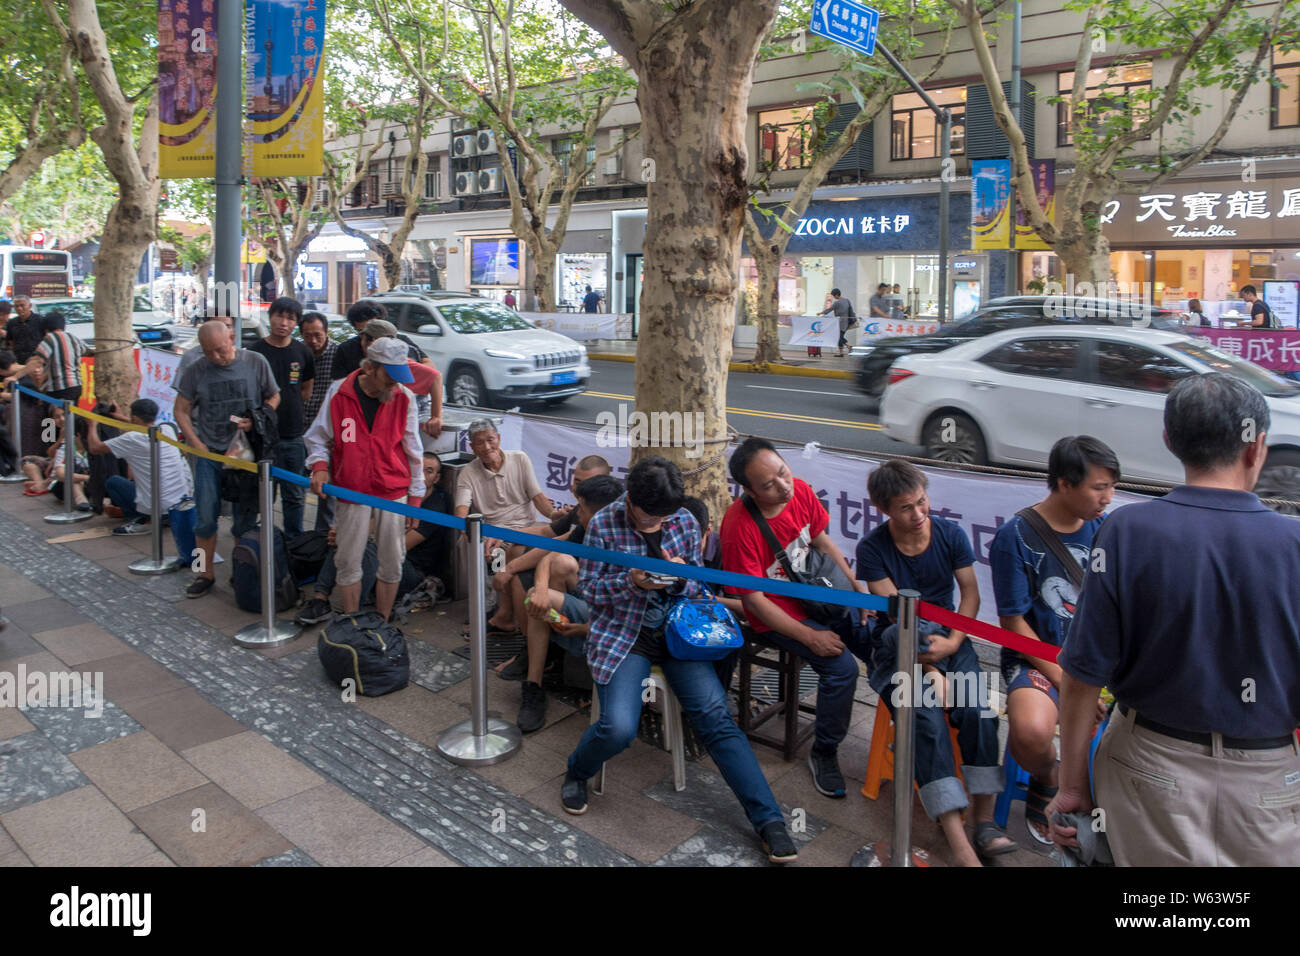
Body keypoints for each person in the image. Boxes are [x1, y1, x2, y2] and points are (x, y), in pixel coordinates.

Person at [1049, 373, 1300, 866]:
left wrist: (1072, 786)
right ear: (1257, 449)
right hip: (1270, 780)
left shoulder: (1127, 531)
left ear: (1171, 441)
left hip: (1150, 770)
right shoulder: (1293, 546)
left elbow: (1082, 677)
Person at [562, 456, 800, 864]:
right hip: (625, 636)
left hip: (678, 633)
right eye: (648, 515)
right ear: (630, 498)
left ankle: (769, 821)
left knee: (716, 719)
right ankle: (577, 770)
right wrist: (631, 580)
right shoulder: (603, 524)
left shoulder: (685, 521)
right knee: (618, 727)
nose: (656, 523)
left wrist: (681, 576)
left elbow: (698, 584)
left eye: (664, 516)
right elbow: (590, 591)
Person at [857, 460, 1015, 866]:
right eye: (906, 508)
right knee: (923, 718)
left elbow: (970, 596)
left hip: (950, 640)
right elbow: (901, 622)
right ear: (885, 509)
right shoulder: (872, 550)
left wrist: (954, 644)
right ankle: (955, 834)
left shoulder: (950, 534)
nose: (918, 514)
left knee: (979, 710)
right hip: (899, 653)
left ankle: (983, 821)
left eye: (922, 502)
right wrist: (930, 671)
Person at [718, 437, 869, 799]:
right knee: (842, 668)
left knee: (877, 636)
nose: (783, 486)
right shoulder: (738, 528)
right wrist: (807, 636)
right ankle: (824, 751)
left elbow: (821, 541)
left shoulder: (800, 491)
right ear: (749, 490)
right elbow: (753, 600)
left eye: (783, 473)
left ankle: (907, 724)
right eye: (769, 485)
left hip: (820, 593)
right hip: (779, 614)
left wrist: (855, 586)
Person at [989, 436, 1119, 844]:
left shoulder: (1107, 530)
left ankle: (1110, 804)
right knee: (1029, 732)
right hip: (1037, 661)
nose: (1108, 498)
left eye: (1111, 486)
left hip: (1100, 661)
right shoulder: (1015, 537)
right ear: (1064, 484)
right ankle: (1051, 773)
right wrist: (1068, 682)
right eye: (1099, 487)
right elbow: (1013, 622)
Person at [306, 338, 425, 623]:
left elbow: (414, 450)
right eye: (389, 377)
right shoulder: (339, 392)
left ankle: (382, 621)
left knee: (392, 561)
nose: (395, 385)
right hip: (352, 490)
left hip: (393, 490)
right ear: (369, 367)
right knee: (347, 560)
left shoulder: (404, 398)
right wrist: (320, 466)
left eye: (399, 378)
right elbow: (317, 437)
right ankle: (351, 622)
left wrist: (416, 499)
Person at [173, 320, 281, 599]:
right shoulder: (196, 369)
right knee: (205, 518)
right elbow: (181, 410)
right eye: (209, 352)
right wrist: (196, 444)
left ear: (232, 338)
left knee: (245, 519)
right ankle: (202, 573)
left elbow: (274, 396)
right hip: (210, 452)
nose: (216, 357)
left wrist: (256, 419)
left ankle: (240, 570)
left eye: (220, 350)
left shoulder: (255, 362)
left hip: (246, 454)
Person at [514, 473, 624, 732]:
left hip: (608, 623)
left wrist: (587, 629)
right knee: (537, 600)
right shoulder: (586, 528)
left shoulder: (627, 543)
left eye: (583, 509)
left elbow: (628, 613)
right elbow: (549, 557)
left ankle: (556, 646)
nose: (578, 515)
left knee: (545, 594)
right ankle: (534, 684)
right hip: (583, 609)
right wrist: (540, 588)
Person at [452, 419, 563, 631]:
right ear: (471, 447)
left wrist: (555, 515)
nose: (486, 447)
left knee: (520, 549)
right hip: (493, 532)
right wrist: (464, 528)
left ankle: (505, 613)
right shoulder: (468, 473)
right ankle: (489, 607)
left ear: (499, 439)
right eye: (479, 443)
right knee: (480, 548)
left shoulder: (519, 459)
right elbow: (462, 508)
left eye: (490, 440)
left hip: (527, 525)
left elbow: (537, 496)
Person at [86, 399, 197, 566]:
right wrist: (119, 417)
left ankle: (143, 520)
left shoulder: (131, 439)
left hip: (156, 506)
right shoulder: (167, 429)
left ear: (136, 418)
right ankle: (150, 518)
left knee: (114, 482)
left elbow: (95, 447)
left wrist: (92, 424)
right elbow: (142, 428)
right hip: (181, 503)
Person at [249, 296, 314, 538]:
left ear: (296, 323)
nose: (284, 322)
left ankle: (294, 542)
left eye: (290, 318)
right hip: (263, 437)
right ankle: (264, 542)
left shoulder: (301, 351)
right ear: (270, 316)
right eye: (280, 316)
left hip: (294, 434)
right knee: (263, 493)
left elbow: (306, 388)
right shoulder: (255, 352)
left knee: (295, 494)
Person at [330, 302, 430, 381]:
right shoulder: (346, 349)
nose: (371, 338)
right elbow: (339, 382)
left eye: (375, 330)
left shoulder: (401, 343)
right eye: (363, 333)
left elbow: (429, 367)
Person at [30, 312, 89, 407]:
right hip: (76, 386)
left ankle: (49, 423)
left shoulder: (50, 338)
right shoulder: (73, 338)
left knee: (51, 419)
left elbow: (37, 360)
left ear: (46, 329)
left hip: (58, 389)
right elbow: (88, 351)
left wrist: (16, 376)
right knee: (70, 417)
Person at [4, 296, 43, 364]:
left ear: (30, 306)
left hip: (36, 360)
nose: (19, 308)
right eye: (16, 306)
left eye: (22, 305)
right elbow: (10, 342)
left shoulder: (40, 320)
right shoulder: (12, 323)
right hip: (18, 360)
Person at [819, 287, 855, 357]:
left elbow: (829, 310)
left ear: (837, 295)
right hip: (847, 322)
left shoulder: (837, 303)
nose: (833, 297)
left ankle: (848, 348)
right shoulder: (847, 300)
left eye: (833, 296)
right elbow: (851, 310)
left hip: (840, 323)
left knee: (839, 337)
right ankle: (845, 350)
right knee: (840, 337)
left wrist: (821, 313)